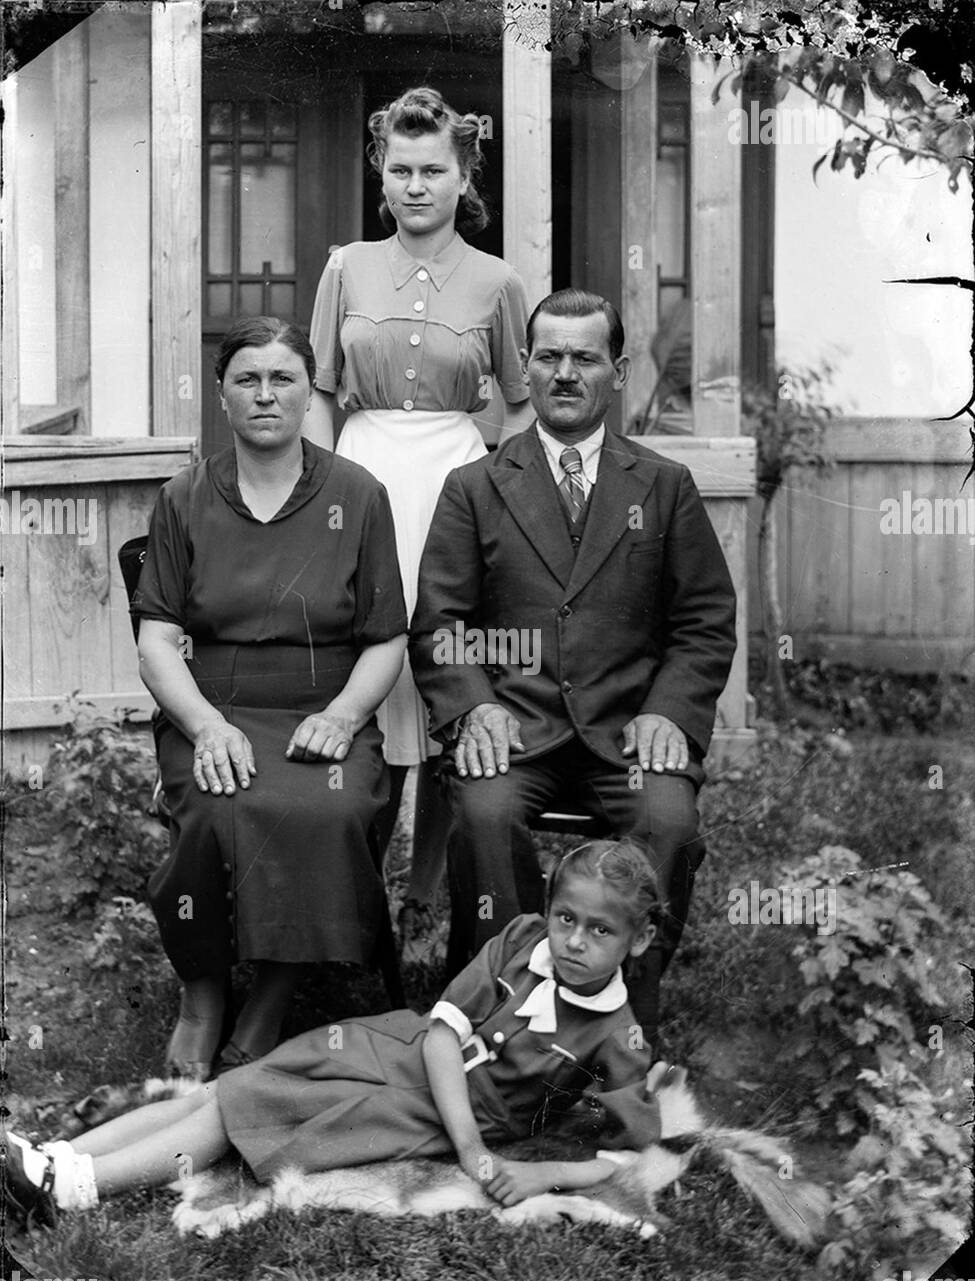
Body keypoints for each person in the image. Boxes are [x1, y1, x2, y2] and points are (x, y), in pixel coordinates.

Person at [5, 841, 667, 1226]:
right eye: (565, 918)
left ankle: (69, 1189)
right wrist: (472, 1155)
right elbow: (442, 1033)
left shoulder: (617, 1035)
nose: (573, 941)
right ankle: (54, 1156)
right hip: (405, 1047)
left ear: (640, 939)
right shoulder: (523, 937)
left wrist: (534, 1173)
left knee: (248, 1109)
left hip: (431, 1109)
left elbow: (635, 1158)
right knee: (233, 1086)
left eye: (600, 930)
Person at [410, 289, 738, 1027]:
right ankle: (503, 1013)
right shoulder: (476, 486)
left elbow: (705, 621)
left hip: (625, 734)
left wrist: (668, 713)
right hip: (517, 733)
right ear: (522, 369)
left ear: (615, 372)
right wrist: (475, 707)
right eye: (548, 357)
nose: (564, 373)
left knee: (668, 822)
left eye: (583, 358)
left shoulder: (661, 486)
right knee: (484, 814)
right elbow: (440, 623)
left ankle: (621, 1018)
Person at [131, 317, 408, 1079]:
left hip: (322, 710)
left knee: (330, 808)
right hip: (212, 708)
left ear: (306, 393)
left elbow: (386, 637)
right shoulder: (184, 497)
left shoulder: (356, 494)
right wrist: (206, 726)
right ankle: (204, 996)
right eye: (246, 379)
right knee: (216, 807)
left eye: (282, 378)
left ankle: (272, 998)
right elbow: (157, 641)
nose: (264, 394)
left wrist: (345, 717)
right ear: (221, 396)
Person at [303, 86, 533, 953]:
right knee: (364, 669)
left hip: (454, 484)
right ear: (380, 172)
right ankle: (353, 885)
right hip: (360, 478)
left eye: (432, 169)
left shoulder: (497, 281)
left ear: (462, 173)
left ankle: (428, 895)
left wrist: (492, 488)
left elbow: (517, 403)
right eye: (399, 169)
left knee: (445, 672)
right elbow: (321, 390)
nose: (414, 185)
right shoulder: (346, 268)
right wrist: (328, 491)